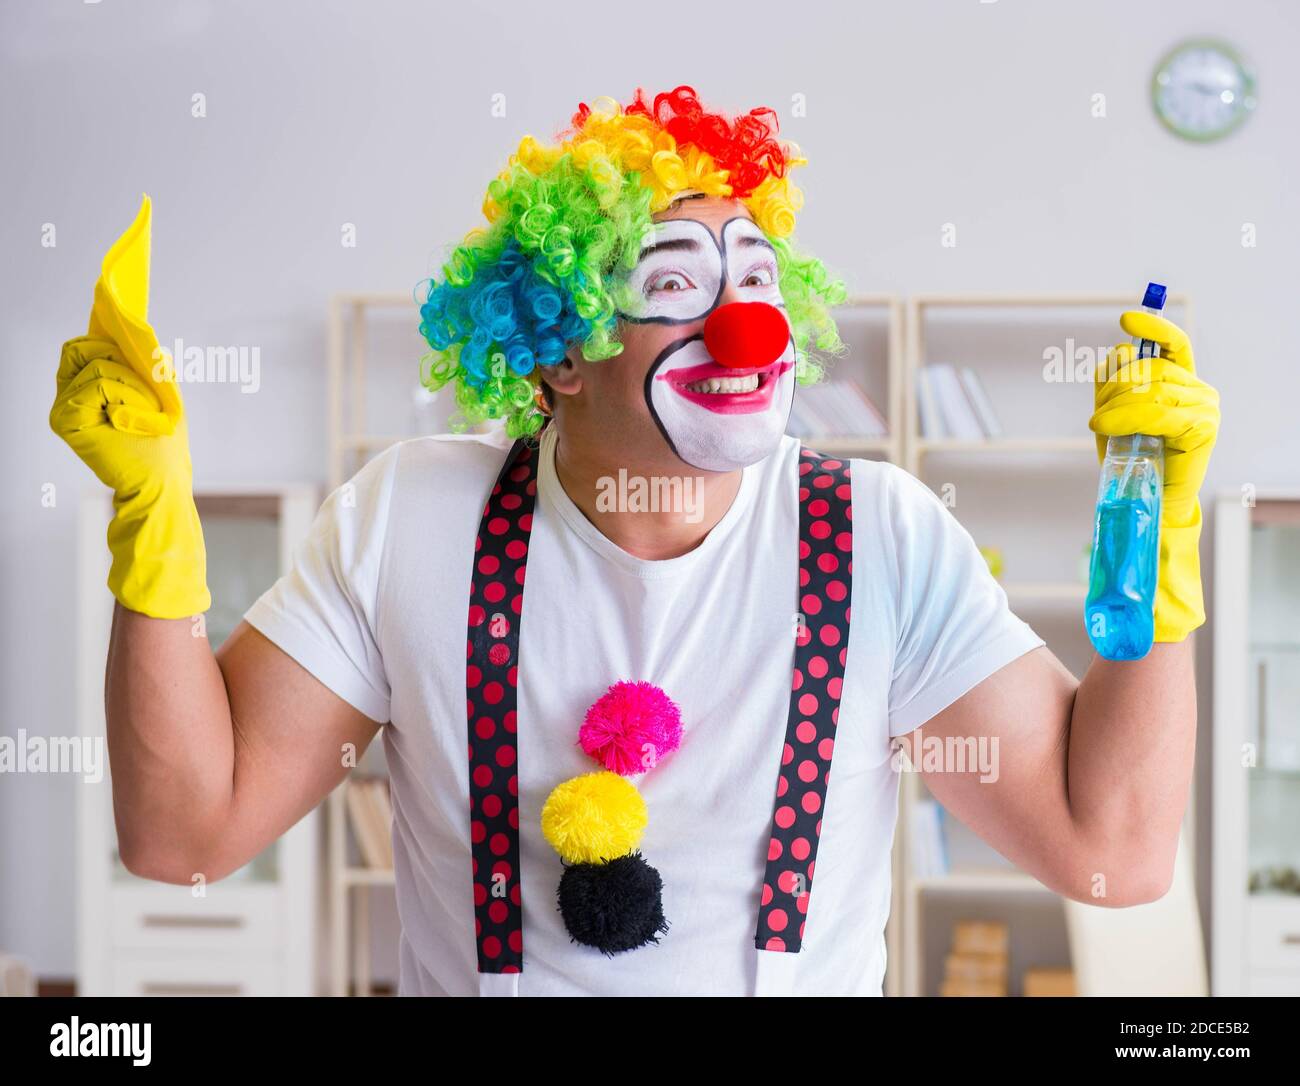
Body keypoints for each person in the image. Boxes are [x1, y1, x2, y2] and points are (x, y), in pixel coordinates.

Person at [49, 85, 1220, 996]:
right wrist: (153, 523)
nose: (747, 325)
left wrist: (1155, 544)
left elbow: (1109, 848)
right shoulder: (407, 519)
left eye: (757, 278)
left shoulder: (881, 535)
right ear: (558, 351)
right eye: (676, 283)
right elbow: (182, 835)